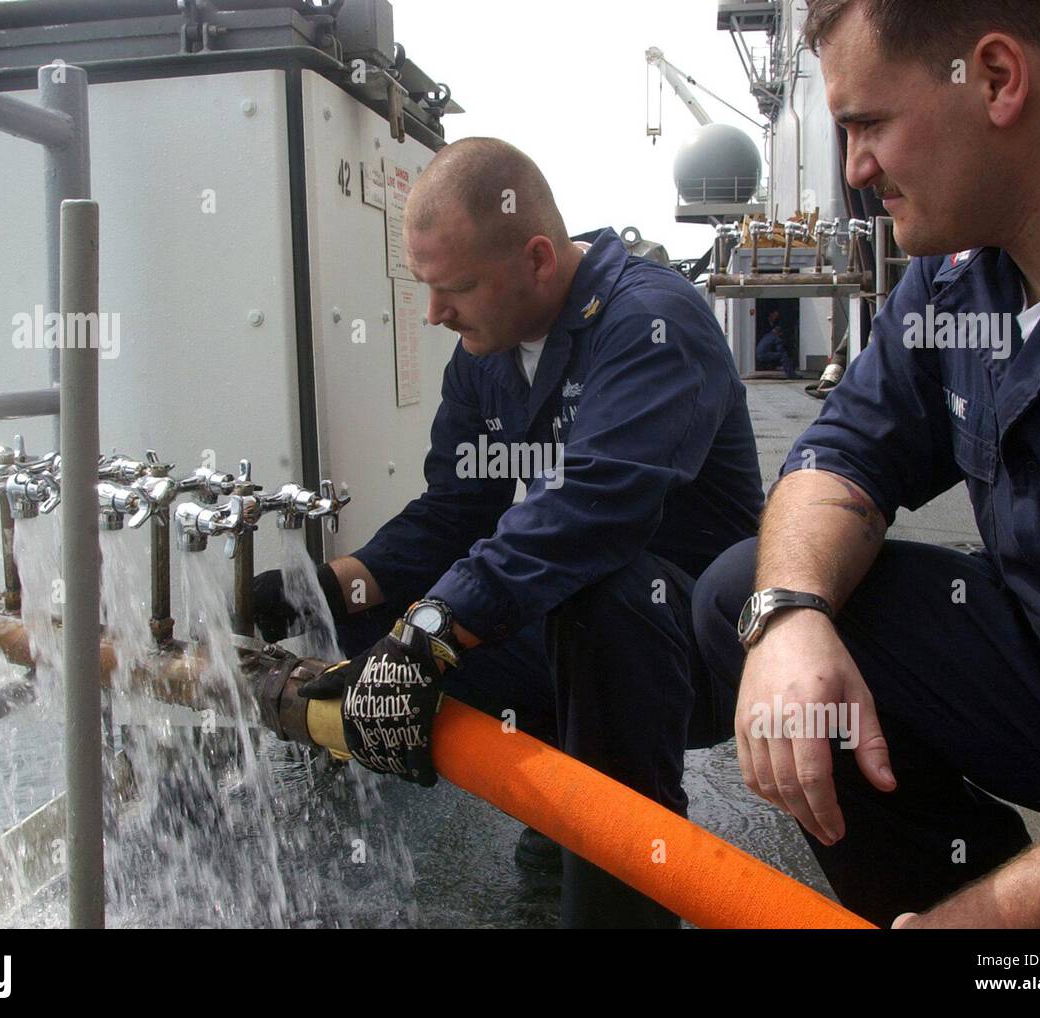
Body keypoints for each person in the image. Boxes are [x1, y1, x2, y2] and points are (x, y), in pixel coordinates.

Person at [692, 0, 1040, 928]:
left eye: (868, 124)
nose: (856, 170)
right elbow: (842, 453)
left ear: (995, 79)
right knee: (745, 595)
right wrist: (790, 614)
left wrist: (990, 924)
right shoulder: (961, 276)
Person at [254, 137, 764, 927]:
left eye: (454, 288)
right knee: (361, 623)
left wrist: (429, 633)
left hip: (697, 643)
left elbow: (590, 512)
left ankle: (624, 890)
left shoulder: (651, 323)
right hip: (579, 628)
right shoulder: (485, 354)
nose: (434, 314)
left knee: (597, 593)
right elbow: (456, 510)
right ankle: (563, 799)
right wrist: (328, 586)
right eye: (426, 288)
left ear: (534, 259)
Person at [754, 309, 799, 378]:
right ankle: (791, 375)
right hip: (763, 355)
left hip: (757, 354)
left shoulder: (767, 335)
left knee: (777, 355)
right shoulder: (776, 338)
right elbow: (780, 350)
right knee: (783, 355)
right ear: (779, 333)